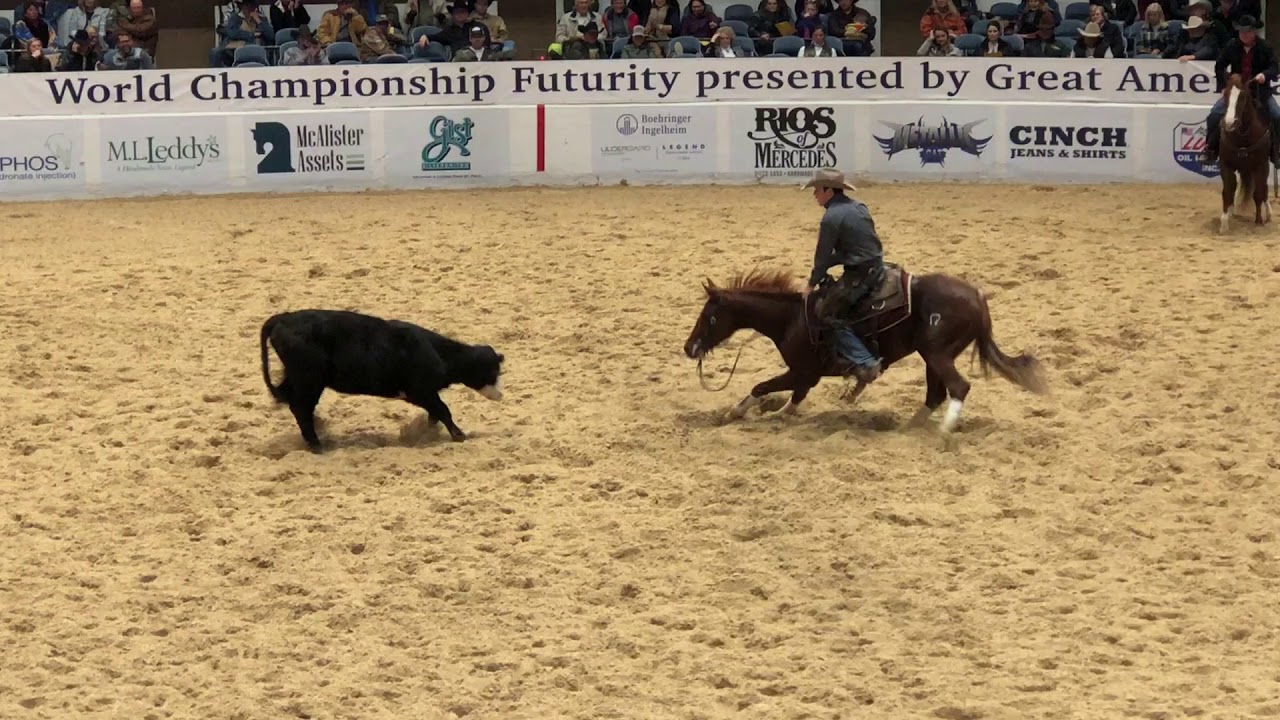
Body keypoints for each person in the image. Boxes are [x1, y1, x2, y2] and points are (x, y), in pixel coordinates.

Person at [801, 168, 886, 384]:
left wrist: (811, 283)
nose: (814, 195)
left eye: (817, 190)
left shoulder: (830, 218)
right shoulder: (859, 207)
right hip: (877, 266)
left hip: (859, 274)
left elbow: (822, 258)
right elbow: (856, 247)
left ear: (829, 191)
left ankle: (865, 360)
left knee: (826, 314)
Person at [1202, 15, 1280, 166]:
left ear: (1254, 32)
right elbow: (1220, 66)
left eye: (1247, 31)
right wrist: (1224, 86)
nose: (1244, 34)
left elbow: (1274, 67)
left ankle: (1276, 150)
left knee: (1277, 115)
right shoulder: (1232, 45)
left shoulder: (1265, 46)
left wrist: (1264, 75)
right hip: (1236, 92)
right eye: (1241, 31)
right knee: (1214, 115)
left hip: (1260, 91)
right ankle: (1210, 148)